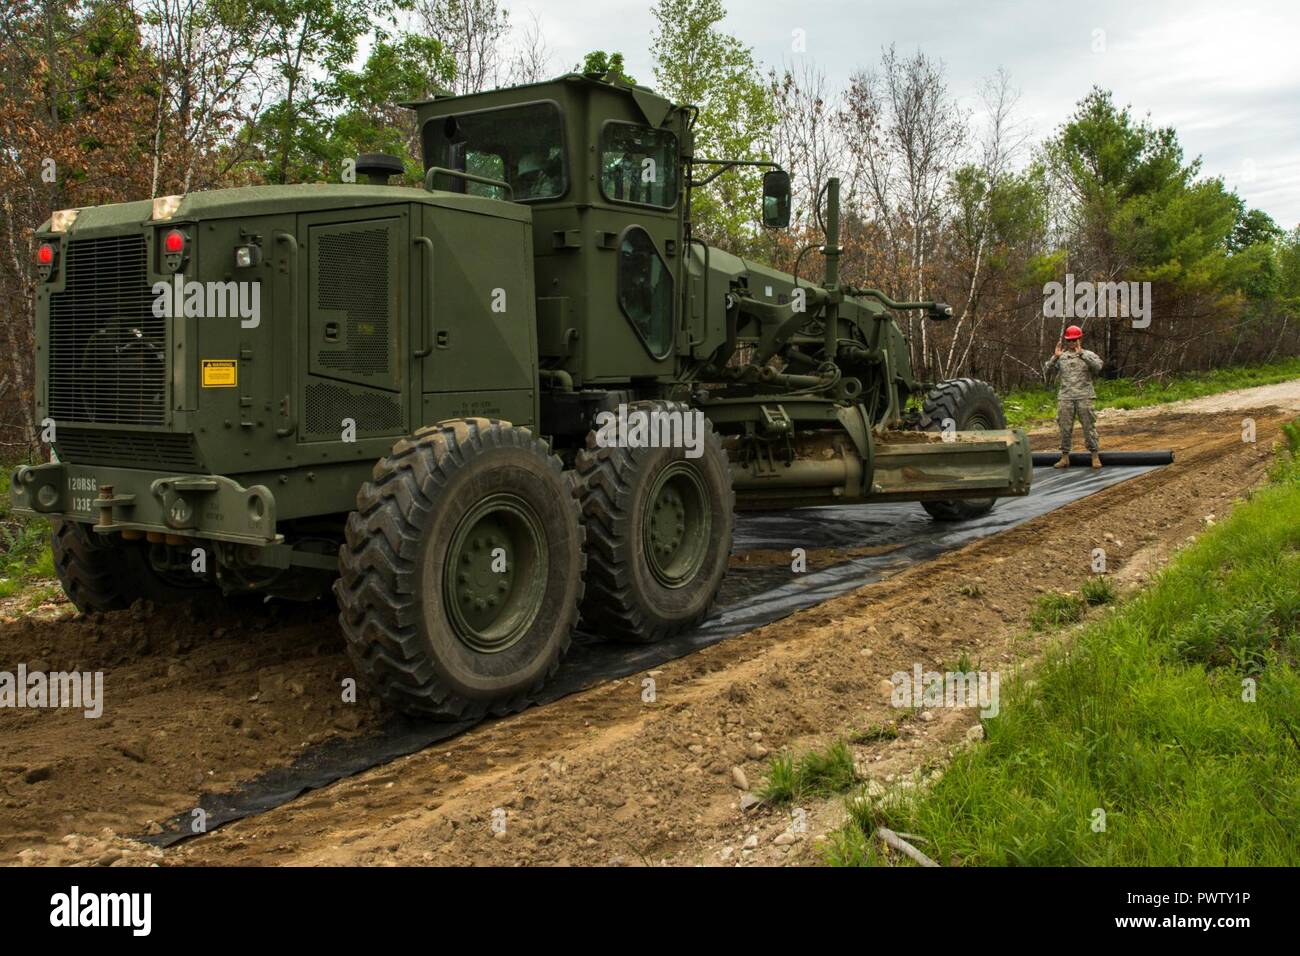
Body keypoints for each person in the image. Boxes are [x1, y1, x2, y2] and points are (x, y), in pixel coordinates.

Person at [1044, 325, 1103, 469]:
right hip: (1066, 397)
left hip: (1084, 396)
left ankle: (1094, 456)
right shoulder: (1061, 357)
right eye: (1069, 341)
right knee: (1064, 428)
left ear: (1079, 339)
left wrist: (1082, 354)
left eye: (1074, 340)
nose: (1072, 343)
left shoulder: (1088, 355)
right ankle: (1065, 457)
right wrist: (1055, 357)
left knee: (1089, 427)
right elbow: (1047, 370)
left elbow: (1098, 367)